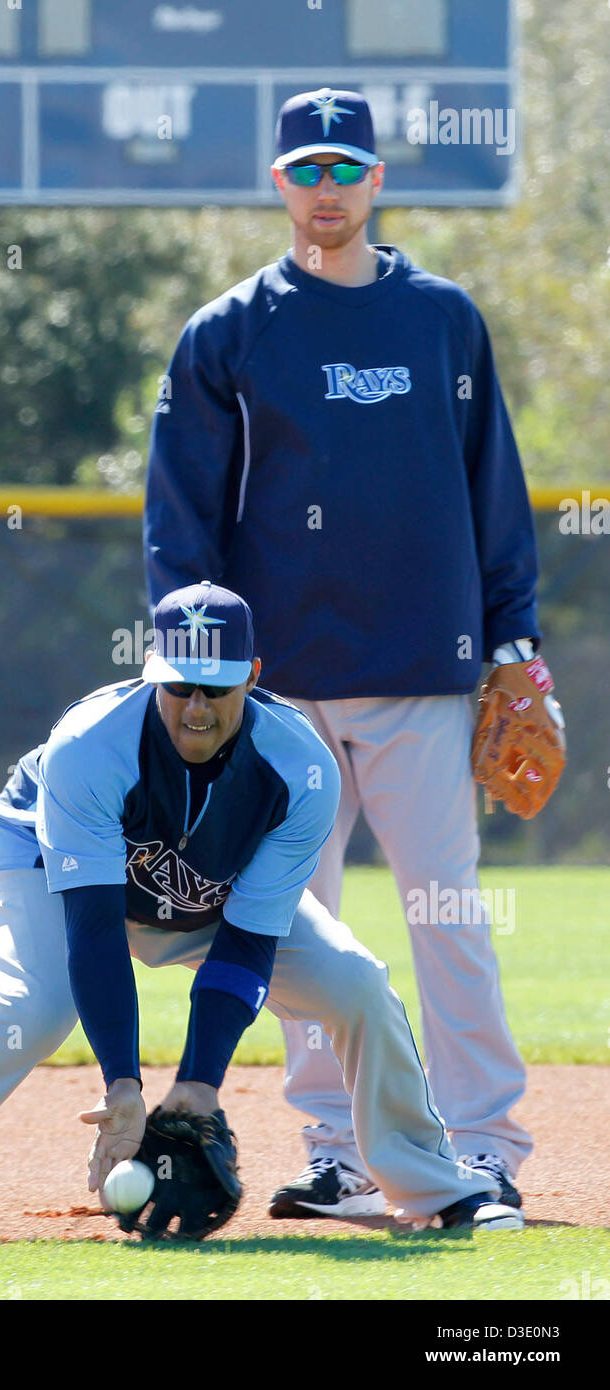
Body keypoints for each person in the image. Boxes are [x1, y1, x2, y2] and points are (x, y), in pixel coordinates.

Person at [0, 582, 524, 1243]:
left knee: (356, 983)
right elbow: (95, 932)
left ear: (253, 678)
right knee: (31, 1008)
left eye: (215, 689)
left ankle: (435, 1185)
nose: (195, 706)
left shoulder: (300, 769)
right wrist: (124, 1083)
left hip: (208, 892)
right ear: (150, 672)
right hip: (45, 863)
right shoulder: (91, 748)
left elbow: (250, 941)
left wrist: (198, 1083)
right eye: (178, 685)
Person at [144, 91, 563, 1220]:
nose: (325, 189)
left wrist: (516, 639)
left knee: (448, 917)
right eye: (304, 169)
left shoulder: (442, 319)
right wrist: (193, 670)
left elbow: (495, 490)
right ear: (278, 185)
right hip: (275, 691)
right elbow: (179, 520)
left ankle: (485, 1145)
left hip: (425, 667)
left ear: (377, 179)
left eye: (344, 167)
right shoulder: (229, 331)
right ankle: (335, 1151)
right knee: (290, 926)